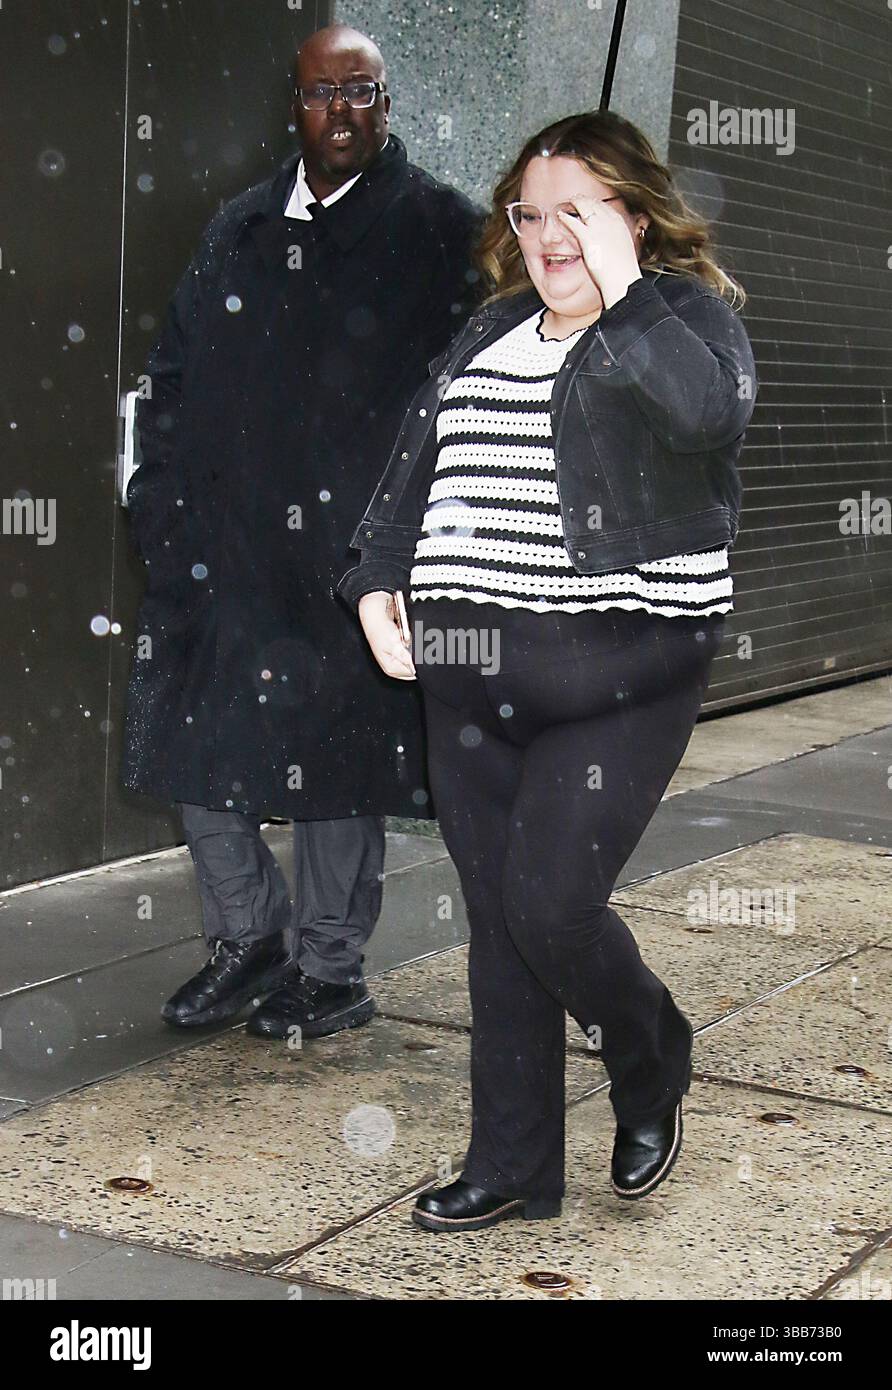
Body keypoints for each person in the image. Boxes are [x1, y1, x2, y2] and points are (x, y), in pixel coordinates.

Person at [337, 110, 756, 1230]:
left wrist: (624, 295)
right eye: (529, 213)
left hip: (617, 668)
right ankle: (515, 1164)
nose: (545, 234)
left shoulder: (685, 321)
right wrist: (378, 577)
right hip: (466, 666)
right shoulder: (489, 330)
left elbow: (706, 419)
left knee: (551, 906)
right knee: (498, 921)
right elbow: (417, 468)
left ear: (631, 213)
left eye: (575, 208)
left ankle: (648, 1048)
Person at [121, 24, 484, 1037]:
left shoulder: (439, 234)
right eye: (321, 93)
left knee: (336, 771)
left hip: (344, 565)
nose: (340, 111)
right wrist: (159, 502)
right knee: (200, 754)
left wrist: (408, 542)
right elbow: (171, 375)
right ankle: (248, 943)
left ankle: (330, 970)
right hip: (220, 552)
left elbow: (470, 394)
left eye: (359, 90)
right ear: (294, 106)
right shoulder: (239, 226)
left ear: (387, 102)